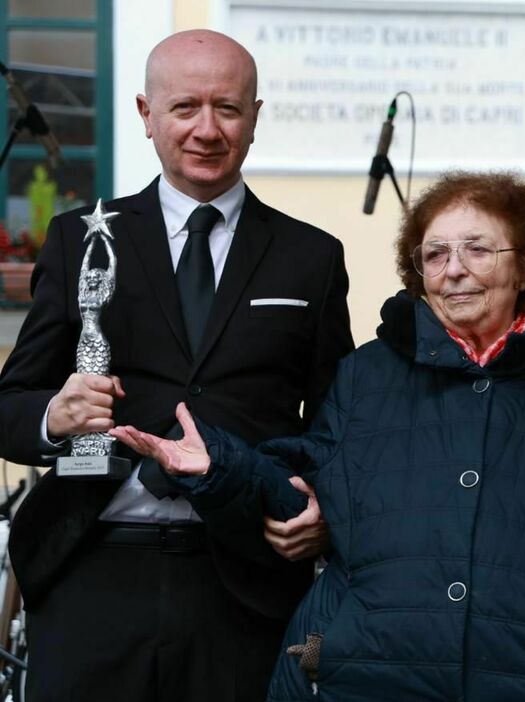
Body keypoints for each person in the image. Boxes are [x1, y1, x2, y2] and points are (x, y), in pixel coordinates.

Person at [112, 171, 525, 702]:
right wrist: (221, 465)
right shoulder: (369, 373)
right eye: (435, 254)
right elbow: (309, 492)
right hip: (364, 678)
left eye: (479, 249)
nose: (454, 270)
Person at [0, 30, 353, 702]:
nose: (207, 129)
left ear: (255, 117)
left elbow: (338, 420)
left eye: (228, 108)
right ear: (145, 114)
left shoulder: (311, 257)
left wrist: (324, 507)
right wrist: (53, 414)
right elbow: (9, 407)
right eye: (185, 107)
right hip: (89, 568)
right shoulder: (80, 238)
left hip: (245, 579)